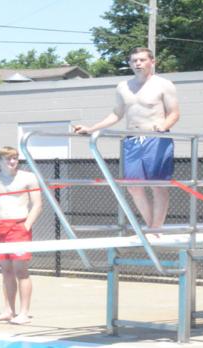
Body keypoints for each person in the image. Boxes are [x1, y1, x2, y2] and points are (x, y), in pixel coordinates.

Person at [71, 46, 180, 230]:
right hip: (132, 140)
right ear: (130, 63)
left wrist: (163, 126)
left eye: (142, 60)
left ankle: (156, 229)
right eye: (134, 60)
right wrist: (92, 128)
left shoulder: (163, 85)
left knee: (157, 186)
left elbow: (174, 113)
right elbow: (117, 114)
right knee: (133, 186)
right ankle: (151, 227)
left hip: (156, 138)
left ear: (152, 62)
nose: (138, 63)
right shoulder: (123, 87)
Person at [0, 148, 43, 324]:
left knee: (21, 270)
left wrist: (26, 226)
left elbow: (38, 204)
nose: (13, 162)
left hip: (19, 226)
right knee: (6, 270)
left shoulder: (28, 177)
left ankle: (23, 313)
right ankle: (8, 310)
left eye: (15, 158)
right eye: (8, 159)